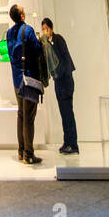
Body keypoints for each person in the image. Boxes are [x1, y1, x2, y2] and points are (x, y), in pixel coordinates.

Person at [6, 3, 44, 166]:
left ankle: (21, 151)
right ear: (21, 16)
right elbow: (37, 51)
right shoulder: (27, 30)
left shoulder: (9, 32)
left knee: (21, 114)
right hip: (28, 78)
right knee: (28, 116)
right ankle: (29, 154)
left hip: (16, 79)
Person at [41, 19, 78, 155]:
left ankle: (73, 144)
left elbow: (65, 59)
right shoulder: (47, 44)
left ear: (51, 28)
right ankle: (67, 142)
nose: (45, 31)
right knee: (64, 113)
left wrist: (60, 73)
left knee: (68, 113)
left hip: (65, 80)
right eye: (43, 28)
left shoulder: (58, 39)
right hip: (58, 81)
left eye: (46, 28)